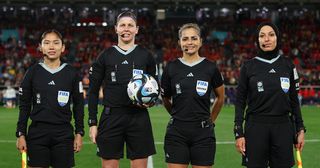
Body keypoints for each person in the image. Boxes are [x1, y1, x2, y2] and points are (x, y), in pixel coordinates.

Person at [88, 10, 156, 168]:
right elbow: (92, 91)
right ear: (116, 29)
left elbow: (155, 88)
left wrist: (150, 101)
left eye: (130, 25)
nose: (126, 29)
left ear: (136, 29)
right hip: (111, 117)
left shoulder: (146, 56)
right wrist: (92, 123)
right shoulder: (105, 56)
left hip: (138, 117)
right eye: (122, 25)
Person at [234, 22, 306, 168]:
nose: (266, 39)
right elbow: (240, 101)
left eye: (271, 35)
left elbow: (294, 100)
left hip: (283, 127)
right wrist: (238, 133)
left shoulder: (288, 65)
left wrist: (300, 128)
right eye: (262, 36)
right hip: (256, 127)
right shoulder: (248, 67)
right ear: (257, 40)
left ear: (277, 38)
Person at [16, 29, 85, 167]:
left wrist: (79, 133)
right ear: (41, 47)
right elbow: (24, 105)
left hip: (63, 134)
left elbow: (79, 105)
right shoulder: (32, 72)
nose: (51, 47)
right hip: (37, 133)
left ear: (63, 47)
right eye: (47, 43)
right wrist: (21, 134)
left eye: (56, 43)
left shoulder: (72, 73)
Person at [161, 23, 225, 168]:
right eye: (185, 39)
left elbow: (221, 97)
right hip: (176, 133)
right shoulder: (171, 68)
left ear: (200, 41)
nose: (189, 42)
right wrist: (177, 116)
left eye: (194, 38)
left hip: (203, 133)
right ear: (179, 42)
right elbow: (165, 98)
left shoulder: (210, 67)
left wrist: (211, 120)